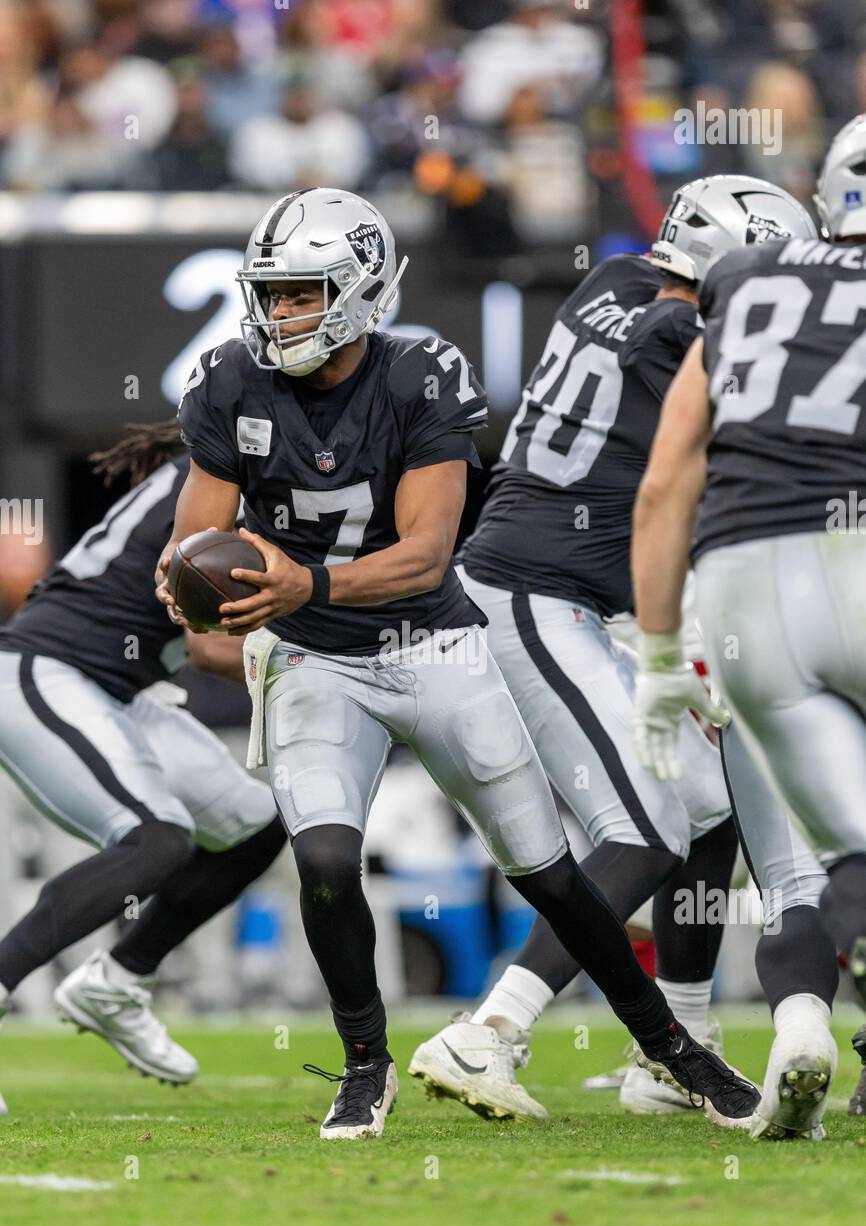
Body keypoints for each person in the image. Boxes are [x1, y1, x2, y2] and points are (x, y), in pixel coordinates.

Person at [159, 185, 758, 1140]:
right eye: (272, 294)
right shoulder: (230, 381)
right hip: (317, 661)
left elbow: (427, 552)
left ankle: (674, 1050)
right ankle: (364, 1067)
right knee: (322, 860)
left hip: (434, 645)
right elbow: (196, 547)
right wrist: (198, 591)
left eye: (304, 293)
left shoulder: (421, 373)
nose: (282, 314)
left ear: (359, 290)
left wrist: (302, 585)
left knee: (552, 873)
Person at [411, 176, 816, 1124]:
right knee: (644, 830)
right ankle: (489, 1033)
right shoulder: (686, 339)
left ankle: (672, 1043)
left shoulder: (620, 281)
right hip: (530, 599)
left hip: (562, 600)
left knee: (709, 808)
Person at [631, 115, 866, 1139]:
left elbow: (661, 487)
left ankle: (801, 1025)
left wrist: (652, 653)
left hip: (735, 597)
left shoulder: (743, 280)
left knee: (821, 860)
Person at [0, 422, 286, 1113]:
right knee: (155, 839)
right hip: (47, 671)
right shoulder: (230, 483)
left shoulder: (224, 469)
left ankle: (118, 978)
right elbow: (214, 650)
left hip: (119, 688)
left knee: (253, 828)